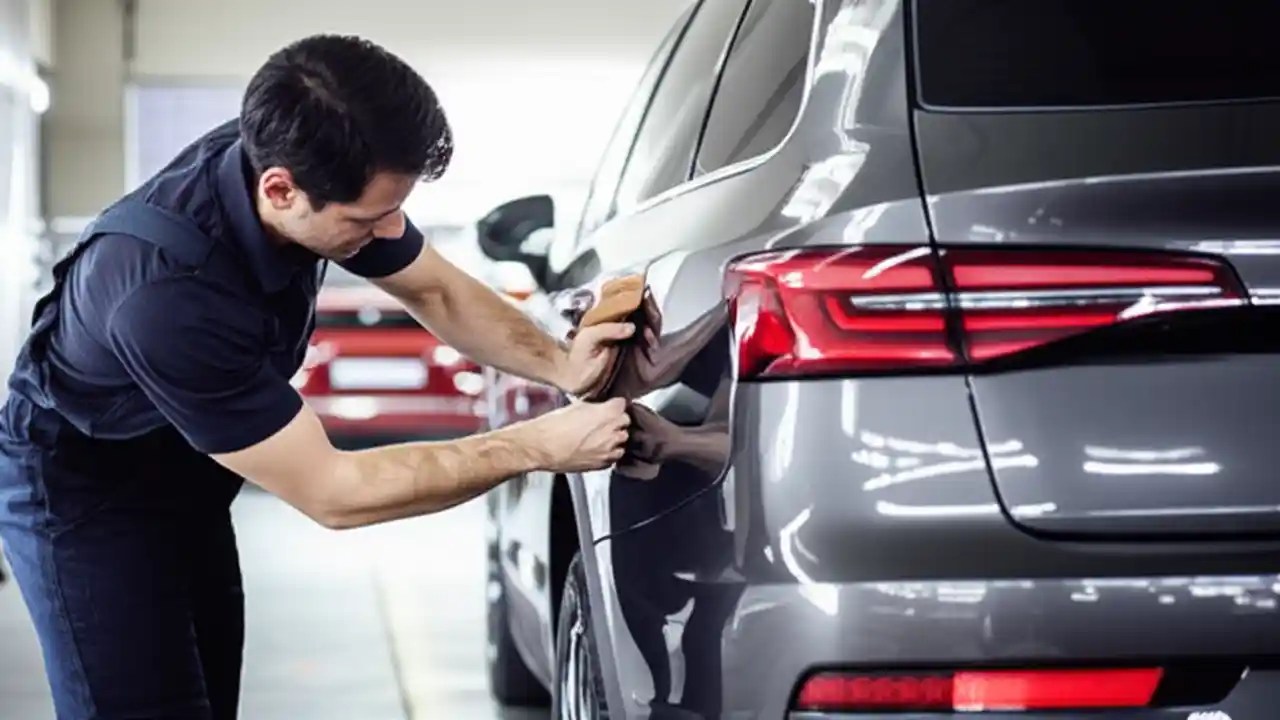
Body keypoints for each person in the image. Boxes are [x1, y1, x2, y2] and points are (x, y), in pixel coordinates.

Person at [0, 34, 633, 720]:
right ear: (280, 189)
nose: (392, 231)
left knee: (207, 696)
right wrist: (538, 445)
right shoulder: (165, 295)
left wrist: (563, 362)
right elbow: (335, 491)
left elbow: (438, 292)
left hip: (186, 462)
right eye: (368, 219)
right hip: (82, 489)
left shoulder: (298, 155)